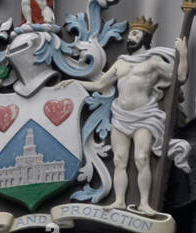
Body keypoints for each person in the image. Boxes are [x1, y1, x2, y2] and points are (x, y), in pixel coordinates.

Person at [68, 17, 188, 215]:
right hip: (121, 116)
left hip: (144, 116)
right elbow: (100, 85)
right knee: (119, 160)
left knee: (141, 158)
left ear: (145, 38)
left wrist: (182, 54)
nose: (131, 38)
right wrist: (73, 83)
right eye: (131, 34)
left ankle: (144, 203)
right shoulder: (121, 63)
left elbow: (180, 77)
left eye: (136, 34)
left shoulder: (153, 62)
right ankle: (120, 201)